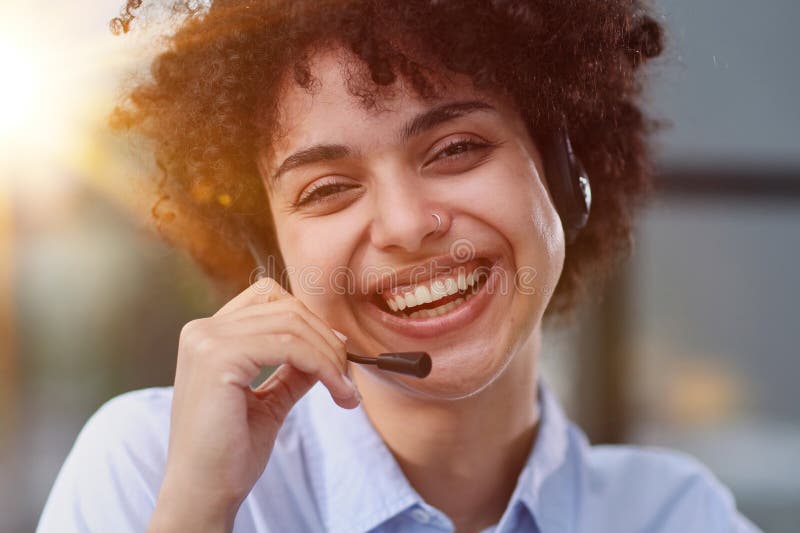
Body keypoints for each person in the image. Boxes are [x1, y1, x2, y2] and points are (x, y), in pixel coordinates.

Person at [37, 1, 761, 532]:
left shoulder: (674, 514)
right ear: (272, 257)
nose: (409, 225)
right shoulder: (151, 470)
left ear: (563, 172)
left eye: (455, 149)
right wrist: (198, 511)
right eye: (326, 190)